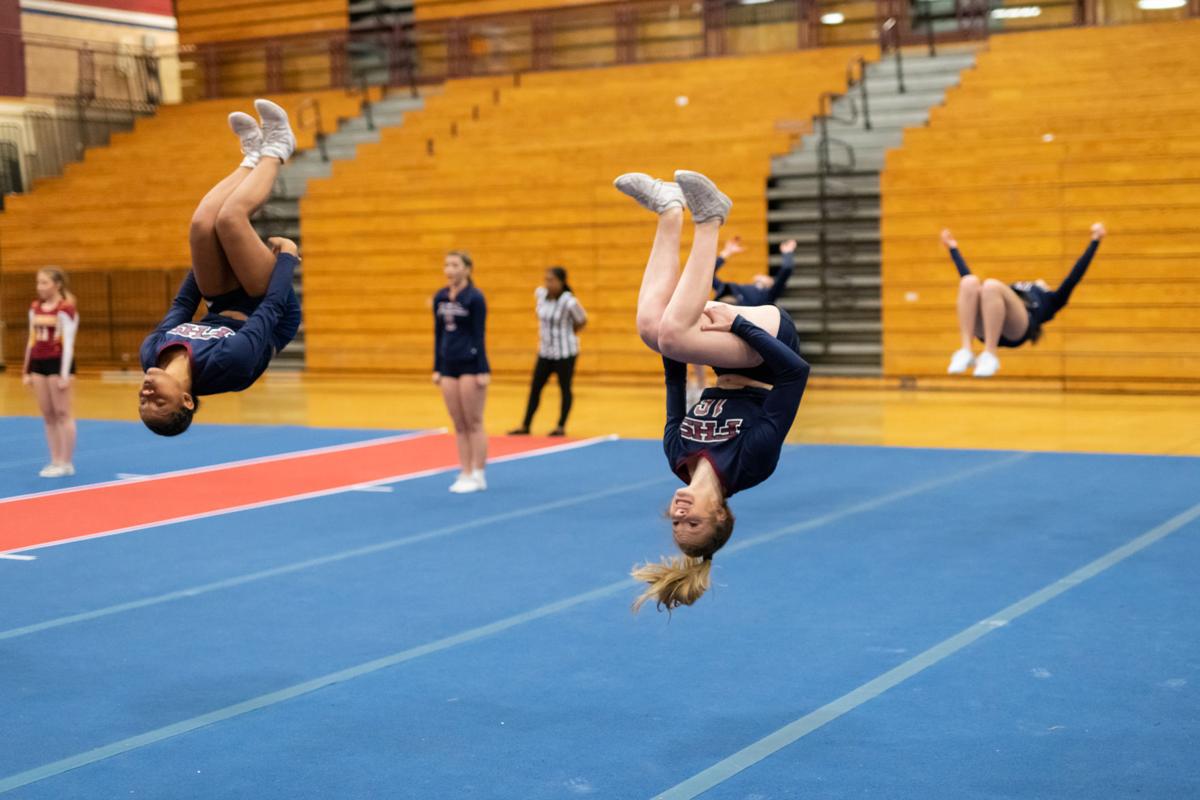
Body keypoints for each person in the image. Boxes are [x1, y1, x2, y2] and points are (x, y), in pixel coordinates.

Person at [614, 169, 810, 612]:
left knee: (653, 328)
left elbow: (673, 375)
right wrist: (739, 324)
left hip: (726, 358)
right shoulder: (750, 465)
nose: (680, 512)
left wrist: (666, 334)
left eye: (677, 522)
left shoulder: (676, 456)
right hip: (773, 349)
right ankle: (710, 219)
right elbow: (796, 374)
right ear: (721, 516)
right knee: (672, 335)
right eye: (694, 521)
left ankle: (668, 211)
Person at [138, 98, 301, 436]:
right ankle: (279, 147)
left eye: (142, 404)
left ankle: (252, 156)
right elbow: (270, 310)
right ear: (186, 400)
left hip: (222, 302)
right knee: (230, 218)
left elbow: (182, 305)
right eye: (158, 404)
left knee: (201, 225)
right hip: (267, 306)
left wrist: (206, 253)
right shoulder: (229, 367)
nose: (146, 396)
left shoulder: (151, 354)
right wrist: (287, 258)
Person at [943, 223, 1105, 377]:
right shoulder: (1011, 290)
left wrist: (1095, 241)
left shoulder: (1053, 298)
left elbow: (1074, 276)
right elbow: (970, 291)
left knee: (991, 286)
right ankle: (966, 350)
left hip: (1018, 327)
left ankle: (990, 354)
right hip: (990, 325)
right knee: (969, 282)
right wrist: (953, 248)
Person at [434, 250, 490, 493]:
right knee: (458, 423)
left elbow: (480, 334)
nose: (450, 269)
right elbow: (438, 334)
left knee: (473, 421)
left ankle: (478, 473)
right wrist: (436, 366)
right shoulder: (441, 297)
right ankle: (465, 471)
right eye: (447, 264)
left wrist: (483, 369)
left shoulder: (475, 298)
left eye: (455, 264)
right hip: (448, 364)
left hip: (470, 364)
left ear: (467, 269)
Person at [508, 266, 587, 437]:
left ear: (562, 282)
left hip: (565, 352)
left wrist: (570, 332)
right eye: (546, 280)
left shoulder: (569, 301)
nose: (548, 283)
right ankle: (525, 424)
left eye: (552, 280)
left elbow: (582, 319)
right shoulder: (540, 295)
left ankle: (560, 426)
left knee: (564, 388)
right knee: (535, 387)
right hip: (545, 351)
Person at [22, 268, 80, 477]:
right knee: (48, 415)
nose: (40, 287)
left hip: (58, 364)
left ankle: (66, 462)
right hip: (38, 364)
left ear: (57, 285)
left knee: (62, 413)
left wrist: (65, 374)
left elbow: (69, 344)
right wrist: (26, 370)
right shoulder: (35, 308)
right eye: (38, 283)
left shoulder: (66, 309)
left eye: (44, 283)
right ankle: (55, 460)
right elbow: (31, 340)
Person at [712, 237, 798, 307]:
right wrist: (726, 253)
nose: (763, 276)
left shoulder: (768, 295)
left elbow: (787, 268)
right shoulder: (732, 287)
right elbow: (709, 275)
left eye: (768, 276)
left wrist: (788, 252)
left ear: (772, 283)